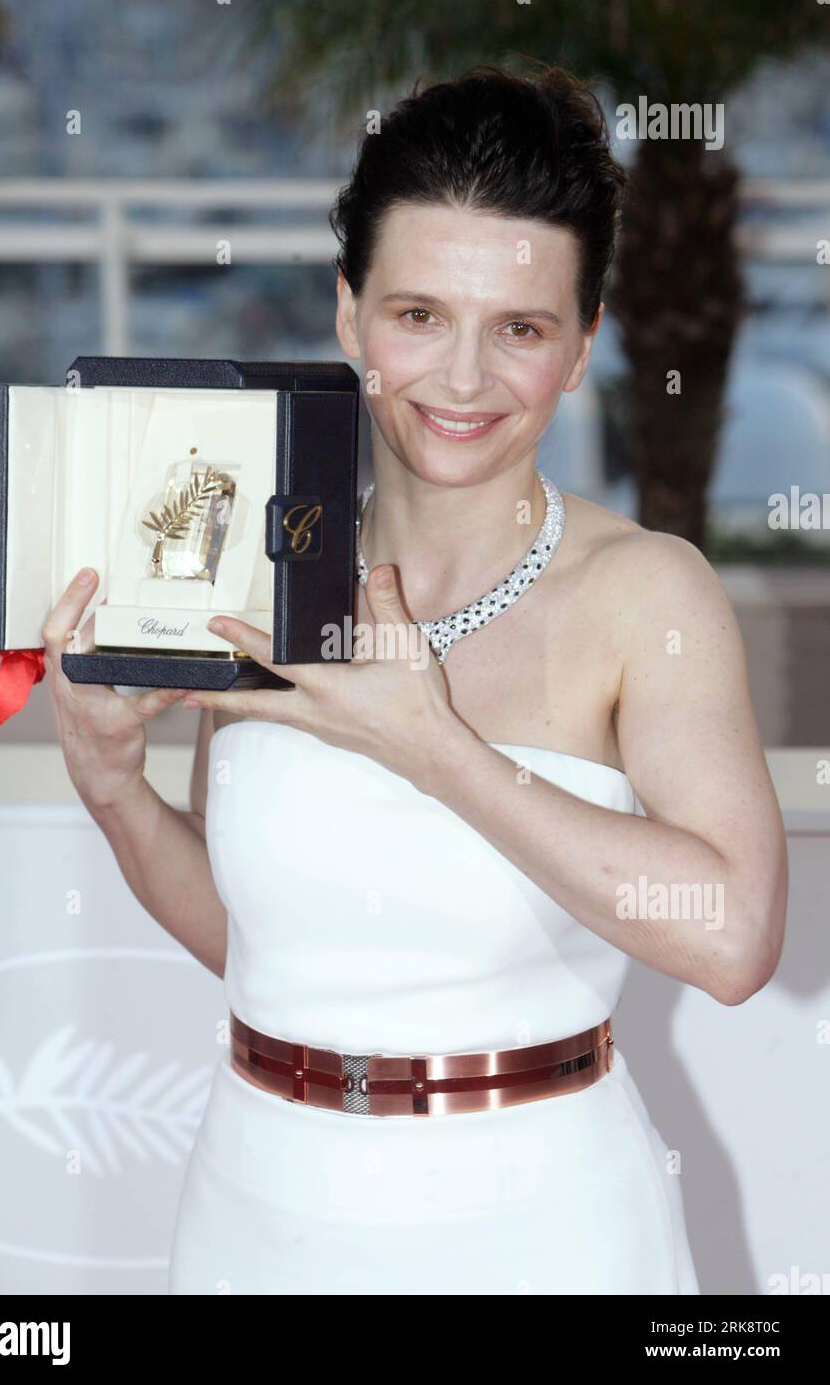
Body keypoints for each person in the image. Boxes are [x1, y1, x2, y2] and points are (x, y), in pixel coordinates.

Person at [43, 64, 787, 1295]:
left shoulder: (646, 592)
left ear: (583, 345)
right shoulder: (261, 564)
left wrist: (436, 751)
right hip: (255, 1209)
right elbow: (261, 943)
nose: (460, 378)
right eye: (418, 315)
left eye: (520, 329)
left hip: (543, 1227)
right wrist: (116, 792)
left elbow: (735, 939)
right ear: (349, 315)